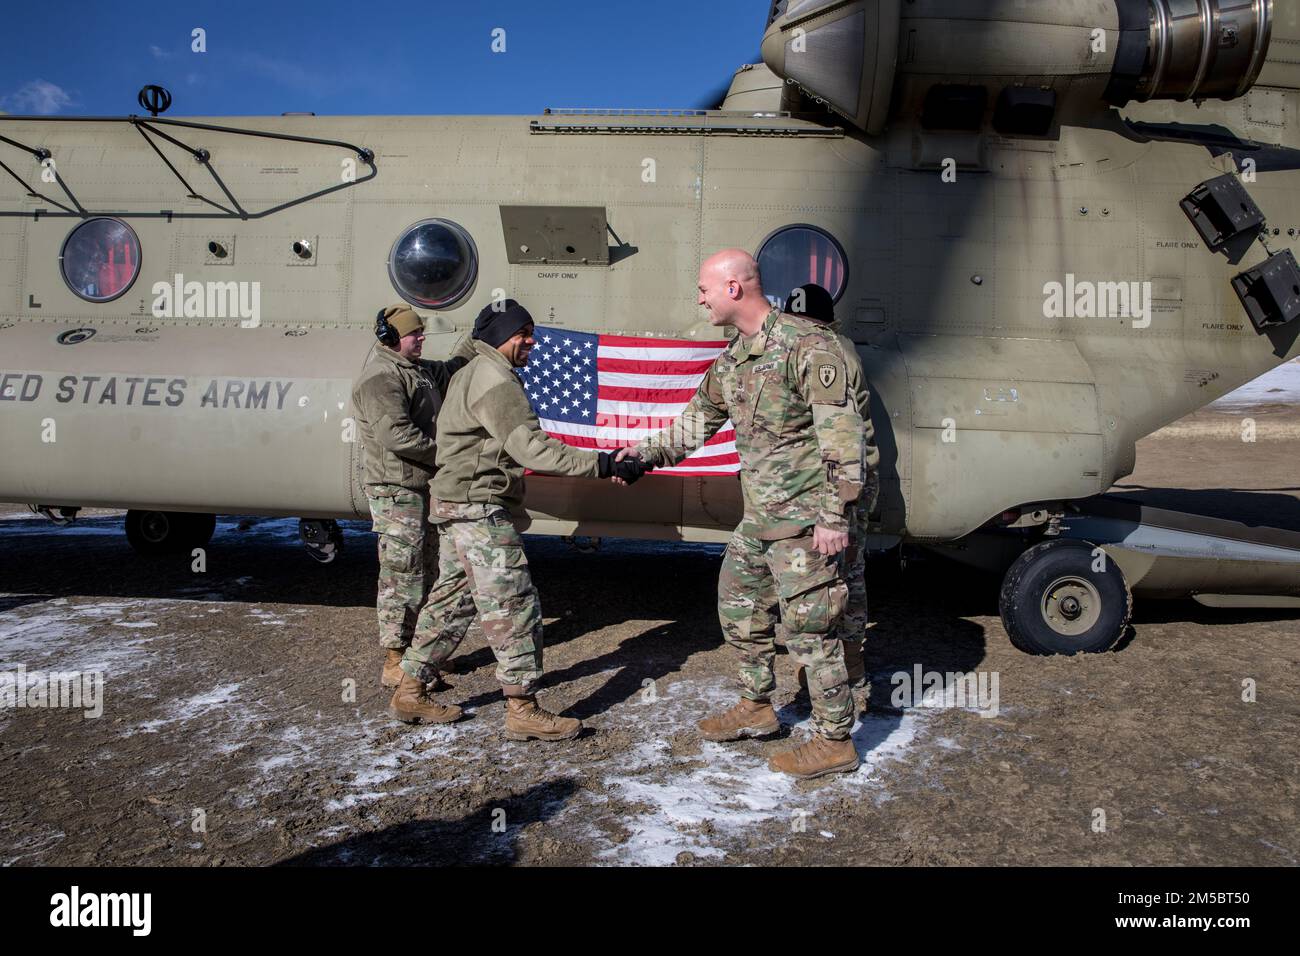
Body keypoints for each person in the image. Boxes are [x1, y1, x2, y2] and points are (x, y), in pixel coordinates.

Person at [620, 250, 868, 779]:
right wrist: (642, 456)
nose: (699, 298)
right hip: (760, 519)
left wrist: (833, 517)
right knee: (738, 605)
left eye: (704, 288)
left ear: (734, 288)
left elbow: (843, 439)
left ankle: (834, 740)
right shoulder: (733, 360)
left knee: (811, 630)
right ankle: (757, 706)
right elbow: (694, 424)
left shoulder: (808, 345)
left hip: (805, 521)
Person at [389, 299, 647, 736]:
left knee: (453, 600)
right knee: (514, 602)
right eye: (522, 334)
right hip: (477, 508)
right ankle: (522, 708)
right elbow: (532, 449)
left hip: (457, 505)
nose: (531, 342)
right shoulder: (494, 379)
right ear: (499, 338)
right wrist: (603, 465)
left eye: (532, 333)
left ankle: (410, 690)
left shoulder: (472, 373)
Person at [351, 304, 475, 690]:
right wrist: (447, 454)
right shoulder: (381, 378)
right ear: (391, 338)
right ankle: (394, 660)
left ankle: (419, 655)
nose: (421, 338)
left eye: (421, 333)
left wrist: (483, 331)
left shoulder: (416, 370)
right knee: (401, 574)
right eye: (414, 334)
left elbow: (453, 367)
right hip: (396, 490)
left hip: (420, 487)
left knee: (427, 569)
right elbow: (396, 436)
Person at [785, 283, 879, 696]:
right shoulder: (842, 348)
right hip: (854, 479)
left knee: (824, 577)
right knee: (849, 574)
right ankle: (851, 660)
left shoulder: (821, 355)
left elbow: (833, 436)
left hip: (838, 483)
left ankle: (829, 667)